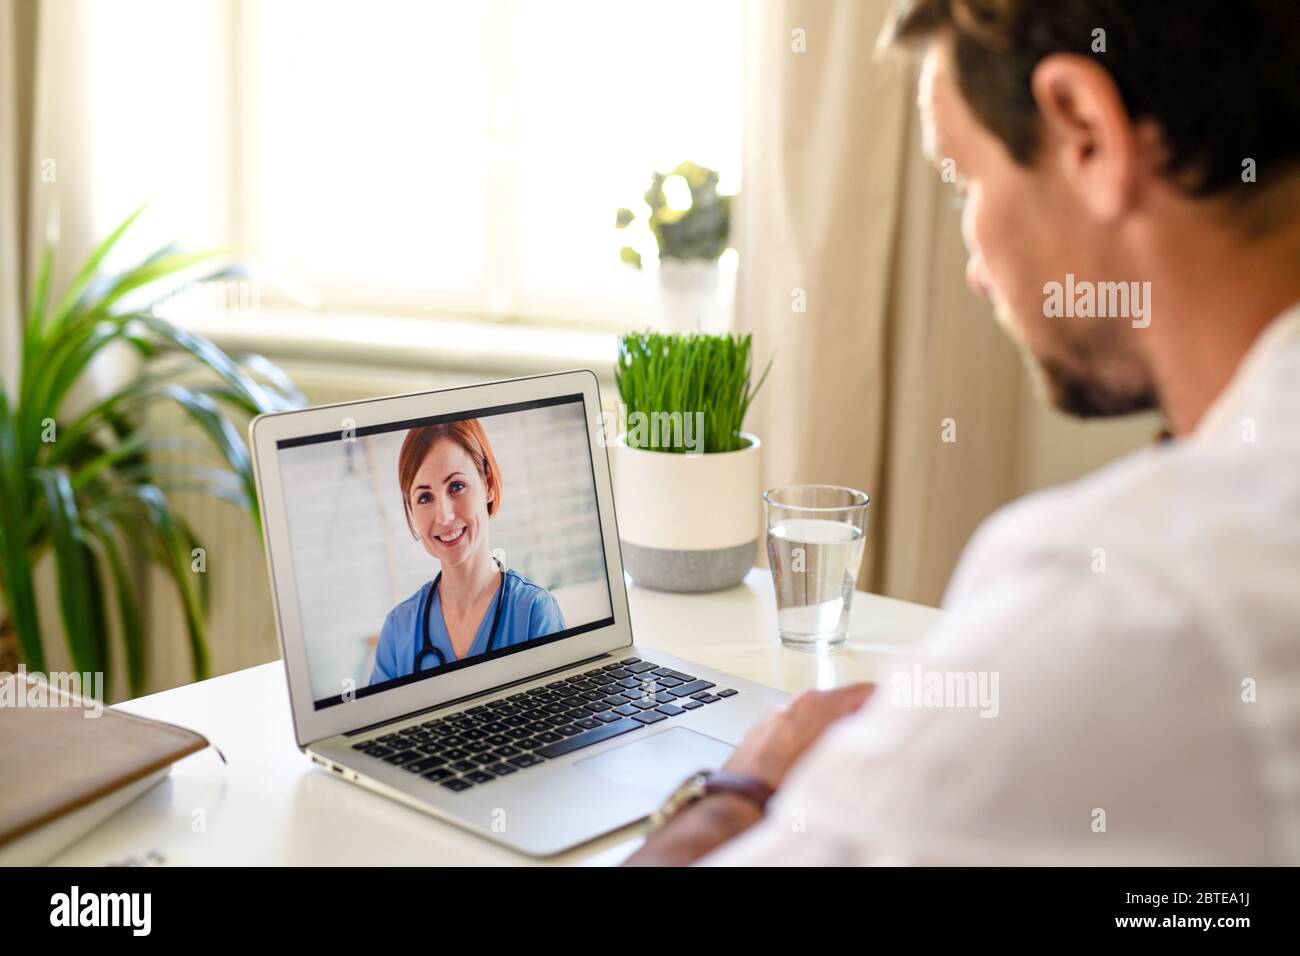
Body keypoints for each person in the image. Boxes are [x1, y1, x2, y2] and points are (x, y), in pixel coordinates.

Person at [627, 0, 1300, 865]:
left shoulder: (1135, 593)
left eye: (964, 179)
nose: (978, 270)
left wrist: (742, 786)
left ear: (1085, 132)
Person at [369, 419, 564, 685]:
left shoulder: (533, 613)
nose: (445, 517)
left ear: (489, 484)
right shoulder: (398, 631)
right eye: (425, 497)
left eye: (457, 486)